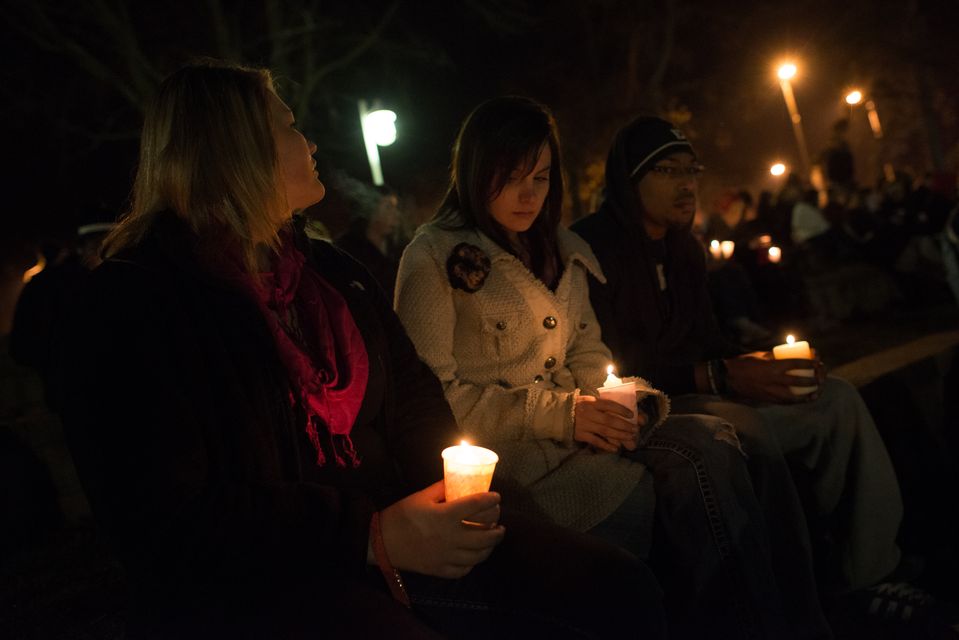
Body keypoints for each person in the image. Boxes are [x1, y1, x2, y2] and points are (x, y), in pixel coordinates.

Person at [50, 61, 666, 639]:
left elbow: (418, 406)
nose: (312, 144)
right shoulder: (138, 303)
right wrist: (369, 537)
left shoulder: (332, 277)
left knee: (612, 584)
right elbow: (164, 514)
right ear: (237, 149)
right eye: (291, 127)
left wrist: (458, 503)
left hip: (405, 528)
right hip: (277, 579)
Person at [395, 96, 829, 638]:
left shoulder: (562, 249)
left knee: (717, 441)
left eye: (542, 177)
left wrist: (619, 398)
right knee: (697, 483)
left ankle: (788, 622)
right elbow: (431, 396)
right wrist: (562, 415)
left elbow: (586, 351)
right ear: (475, 171)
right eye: (509, 179)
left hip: (589, 434)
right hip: (518, 461)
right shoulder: (435, 256)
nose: (529, 195)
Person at [571, 115, 949, 628]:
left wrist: (761, 361)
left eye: (692, 170)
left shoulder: (683, 247)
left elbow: (707, 338)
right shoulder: (590, 249)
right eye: (667, 170)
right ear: (629, 179)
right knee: (745, 433)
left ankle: (869, 574)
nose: (687, 184)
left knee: (834, 399)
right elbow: (608, 365)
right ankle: (795, 600)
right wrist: (719, 376)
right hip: (653, 408)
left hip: (708, 385)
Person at [335, 183, 403, 293]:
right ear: (371, 209)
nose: (396, 214)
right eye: (388, 207)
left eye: (395, 208)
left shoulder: (397, 248)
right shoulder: (347, 247)